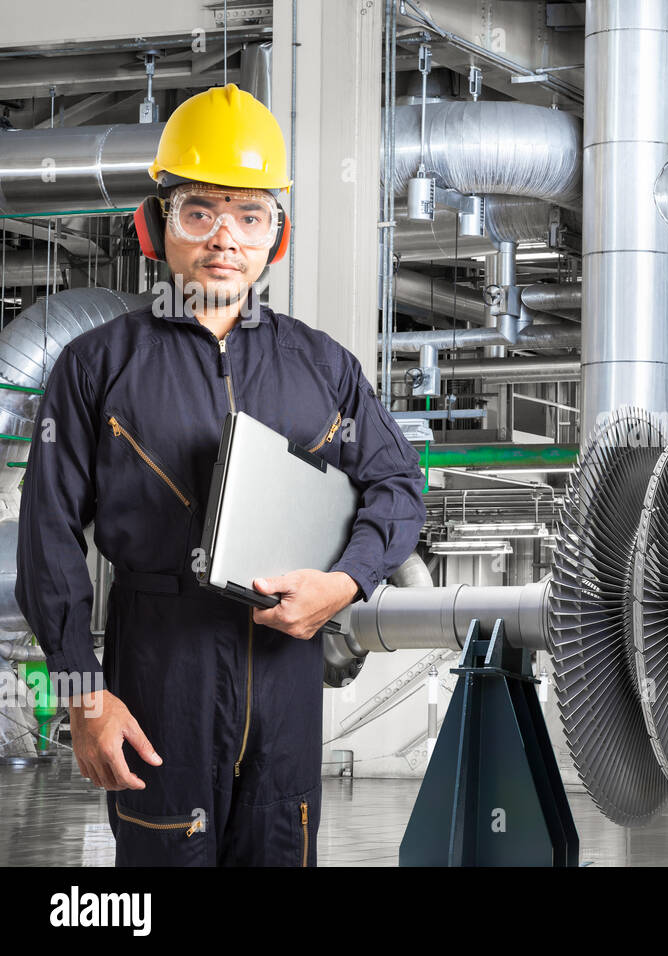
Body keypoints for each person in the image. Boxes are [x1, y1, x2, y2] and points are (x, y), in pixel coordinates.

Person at [14, 83, 427, 866]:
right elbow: (47, 541)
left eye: (249, 215)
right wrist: (81, 697)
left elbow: (399, 488)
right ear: (154, 224)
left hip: (288, 674)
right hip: (156, 670)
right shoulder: (96, 366)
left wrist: (345, 583)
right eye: (198, 211)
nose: (223, 237)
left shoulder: (323, 365)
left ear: (277, 235)